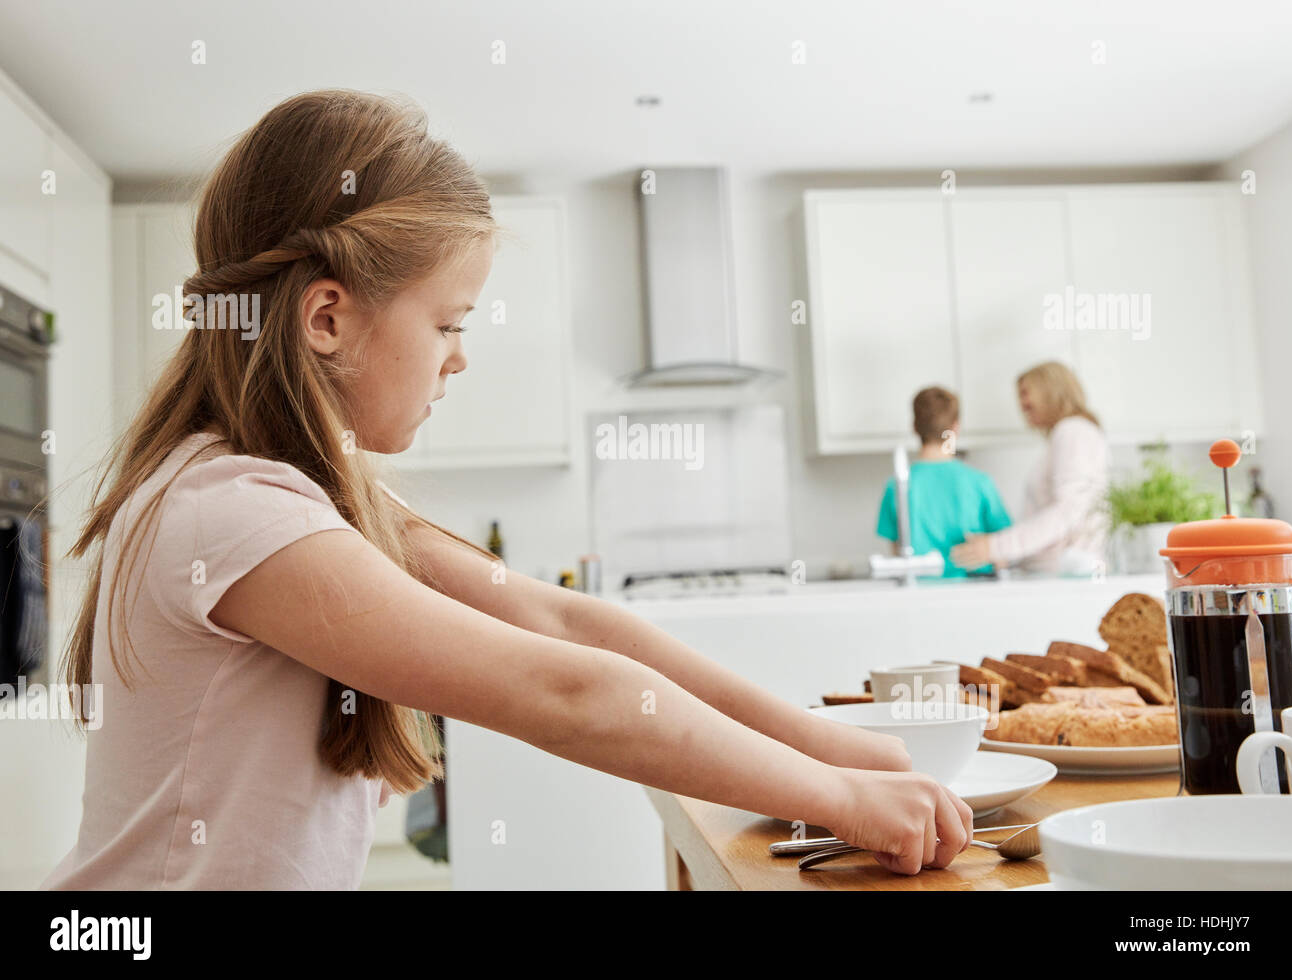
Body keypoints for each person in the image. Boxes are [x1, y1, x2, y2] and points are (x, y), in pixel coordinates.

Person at [40, 90, 971, 889]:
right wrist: (839, 797)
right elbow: (566, 692)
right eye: (448, 322)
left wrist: (820, 743)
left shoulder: (305, 494)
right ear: (327, 317)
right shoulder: (232, 509)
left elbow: (567, 625)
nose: (459, 358)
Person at [951, 362, 1109, 576]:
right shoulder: (1072, 433)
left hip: (1065, 572)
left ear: (1050, 391)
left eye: (1026, 393)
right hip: (1059, 571)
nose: (1022, 403)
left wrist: (997, 547)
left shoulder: (1072, 432)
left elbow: (1068, 511)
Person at [876, 387, 1012, 577]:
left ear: (914, 426)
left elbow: (898, 554)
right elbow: (1005, 549)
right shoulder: (979, 482)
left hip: (920, 595)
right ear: (955, 427)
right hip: (976, 593)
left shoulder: (896, 486)